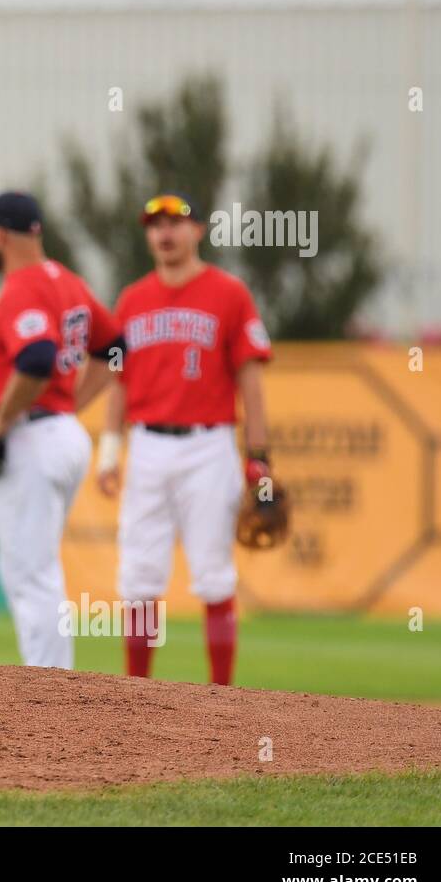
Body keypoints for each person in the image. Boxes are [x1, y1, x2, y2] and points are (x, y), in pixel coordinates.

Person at [96, 193, 274, 685]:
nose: (164, 233)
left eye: (175, 222)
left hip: (209, 444)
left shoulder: (229, 293)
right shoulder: (132, 299)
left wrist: (258, 457)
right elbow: (119, 379)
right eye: (154, 224)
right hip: (147, 445)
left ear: (197, 230)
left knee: (214, 574)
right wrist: (110, 450)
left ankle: (221, 696)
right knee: (139, 576)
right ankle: (138, 694)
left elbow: (251, 380)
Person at [0, 191, 123, 668]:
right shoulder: (68, 282)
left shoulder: (23, 287)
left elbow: (35, 359)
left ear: (0, 234)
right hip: (59, 432)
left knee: (31, 575)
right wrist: (67, 405)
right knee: (38, 568)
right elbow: (116, 349)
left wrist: (2, 421)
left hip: (33, 439)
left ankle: (49, 689)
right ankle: (51, 683)